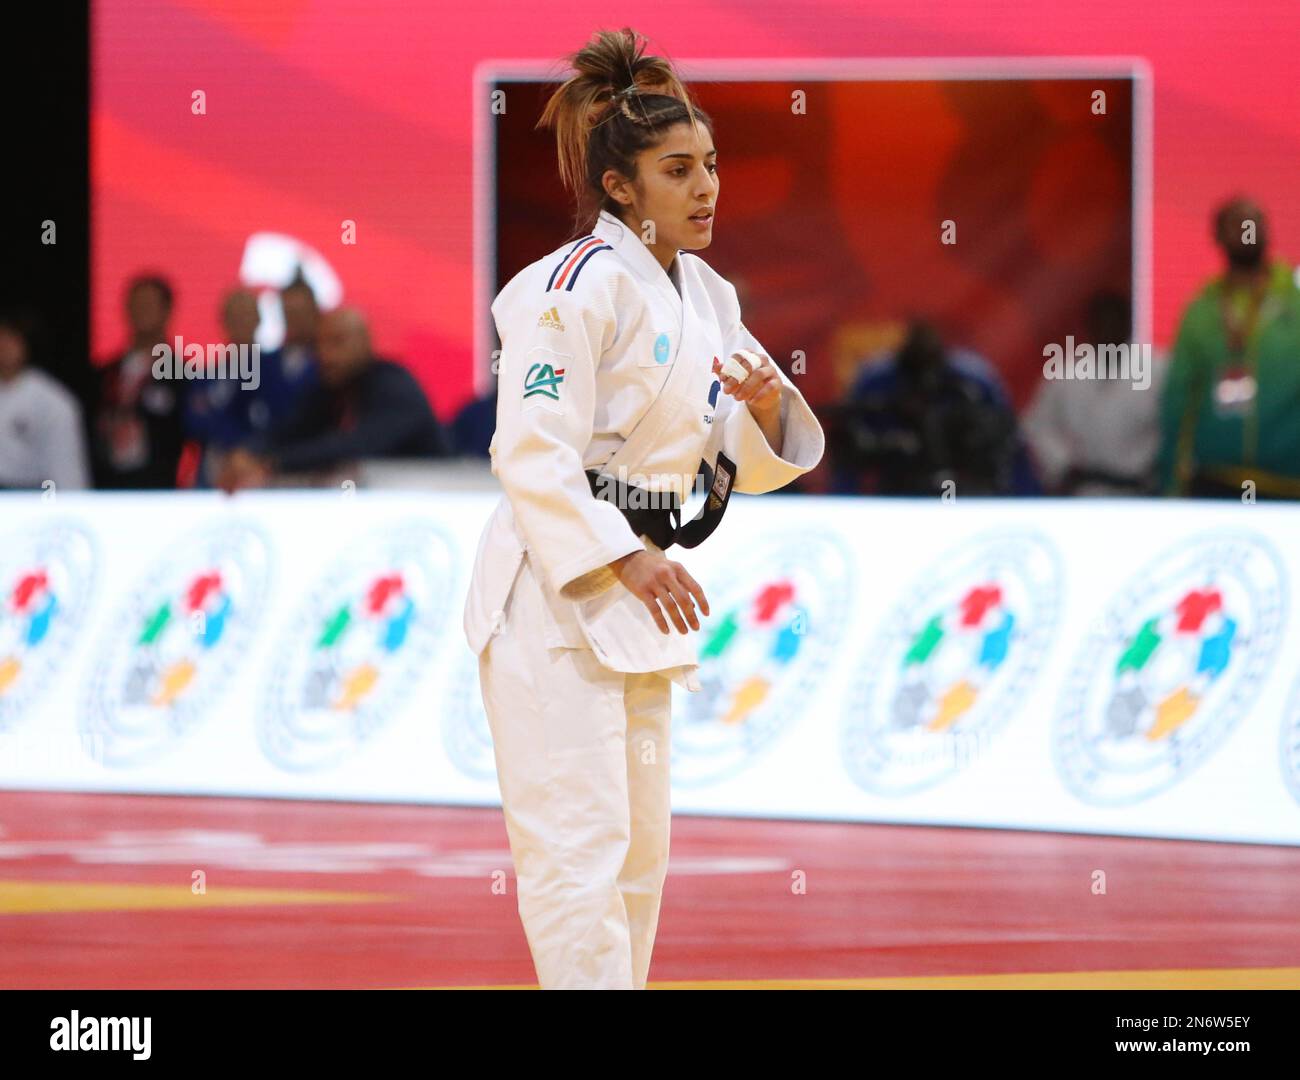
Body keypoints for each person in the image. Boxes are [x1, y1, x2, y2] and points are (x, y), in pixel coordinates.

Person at [462, 28, 825, 989]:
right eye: (678, 170)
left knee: (637, 860)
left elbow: (742, 456)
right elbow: (529, 452)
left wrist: (766, 409)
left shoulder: (707, 294)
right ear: (621, 187)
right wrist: (623, 556)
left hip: (641, 584)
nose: (706, 188)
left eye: (711, 165)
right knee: (576, 853)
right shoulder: (563, 287)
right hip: (556, 590)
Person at [1157, 196, 1300, 498]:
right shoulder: (1201, 312)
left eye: (1253, 222)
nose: (1246, 229)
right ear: (1218, 236)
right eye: (1236, 223)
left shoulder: (1295, 302)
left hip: (1288, 484)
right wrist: (1171, 481)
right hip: (1217, 482)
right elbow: (1178, 400)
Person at [216, 306, 444, 492]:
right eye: (319, 345)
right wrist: (248, 452)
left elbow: (356, 445)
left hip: (433, 499)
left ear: (365, 342)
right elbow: (290, 430)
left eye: (337, 342)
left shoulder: (395, 387)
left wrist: (272, 463)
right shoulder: (330, 389)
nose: (325, 354)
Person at [828, 318, 1039, 496]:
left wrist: (1024, 502)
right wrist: (842, 501)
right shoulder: (876, 379)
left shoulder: (973, 381)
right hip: (896, 487)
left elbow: (1012, 444)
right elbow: (848, 444)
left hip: (967, 488)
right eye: (915, 376)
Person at [1022, 291, 1166, 495]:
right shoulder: (1065, 375)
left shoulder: (1158, 371)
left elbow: (1173, 425)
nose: (1108, 329)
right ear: (1089, 327)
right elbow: (1037, 425)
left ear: (1128, 324)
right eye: (1101, 323)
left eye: (1115, 322)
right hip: (1083, 490)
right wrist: (1063, 464)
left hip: (1139, 491)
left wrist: (1155, 465)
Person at [90, 273, 187, 489]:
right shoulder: (105, 374)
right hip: (107, 487)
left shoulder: (183, 375)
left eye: (150, 304)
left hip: (159, 490)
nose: (142, 311)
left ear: (167, 310)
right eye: (136, 304)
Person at [0, 312, 91, 491]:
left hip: (29, 496)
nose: (3, 347)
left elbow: (67, 467)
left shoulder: (53, 401)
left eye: (11, 340)